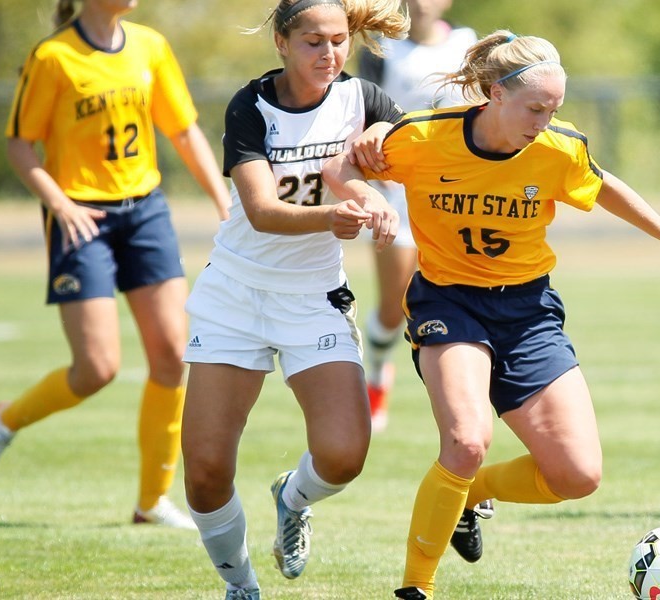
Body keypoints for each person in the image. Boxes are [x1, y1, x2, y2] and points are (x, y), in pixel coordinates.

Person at [323, 30, 660, 600]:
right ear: (493, 94)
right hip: (448, 301)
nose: (545, 119)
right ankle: (416, 587)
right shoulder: (424, 137)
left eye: (554, 108)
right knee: (466, 440)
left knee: (577, 475)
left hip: (529, 310)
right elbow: (342, 168)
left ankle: (469, 494)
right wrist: (373, 200)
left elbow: (602, 184)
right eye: (536, 107)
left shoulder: (558, 148)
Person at [0, 0, 230, 529]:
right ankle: (4, 420)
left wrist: (226, 206)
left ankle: (151, 502)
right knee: (97, 369)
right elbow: (20, 146)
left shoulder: (151, 46)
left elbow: (183, 132)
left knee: (172, 355)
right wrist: (60, 204)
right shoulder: (54, 56)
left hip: (147, 213)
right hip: (80, 218)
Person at [179, 0, 407, 598]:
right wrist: (338, 213)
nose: (328, 54)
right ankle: (242, 586)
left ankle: (292, 497)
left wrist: (385, 137)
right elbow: (260, 211)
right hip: (236, 293)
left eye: (338, 40)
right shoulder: (249, 106)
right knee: (205, 474)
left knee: (343, 456)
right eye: (313, 41)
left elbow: (410, 146)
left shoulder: (363, 99)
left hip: (314, 299)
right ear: (281, 42)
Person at [356, 0, 476, 432]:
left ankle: (465, 398)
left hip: (453, 197)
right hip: (397, 196)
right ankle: (376, 377)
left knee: (463, 296)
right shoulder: (381, 49)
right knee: (394, 307)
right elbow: (362, 115)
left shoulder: (468, 46)